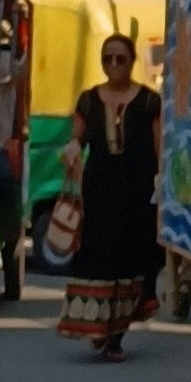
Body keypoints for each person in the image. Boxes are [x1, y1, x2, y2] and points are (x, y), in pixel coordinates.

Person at [56, 33, 160, 362]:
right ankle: (98, 328)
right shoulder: (88, 100)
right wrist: (71, 150)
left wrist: (164, 182)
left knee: (130, 263)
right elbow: (78, 138)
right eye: (107, 59)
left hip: (138, 195)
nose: (113, 65)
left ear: (131, 62)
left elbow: (160, 147)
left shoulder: (148, 101)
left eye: (120, 59)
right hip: (99, 193)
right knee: (99, 261)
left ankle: (115, 337)